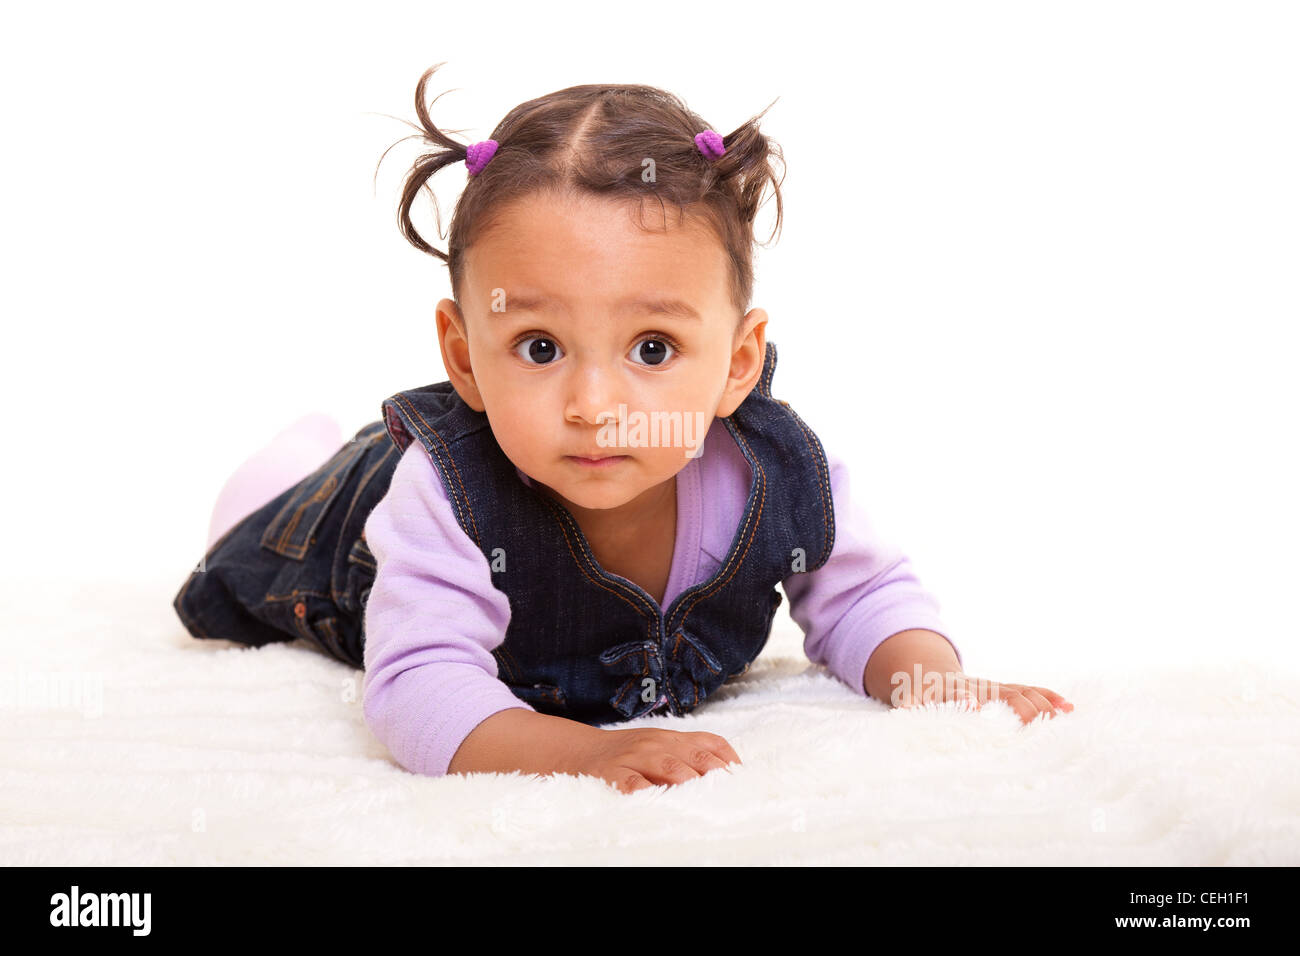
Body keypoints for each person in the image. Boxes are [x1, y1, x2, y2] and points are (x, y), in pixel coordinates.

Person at [174, 63, 1072, 794]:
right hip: (341, 536)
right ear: (462, 352)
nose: (594, 403)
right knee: (255, 535)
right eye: (538, 346)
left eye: (651, 347)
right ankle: (291, 458)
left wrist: (936, 684)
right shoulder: (447, 497)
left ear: (736, 361)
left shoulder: (778, 473)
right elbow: (415, 690)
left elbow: (865, 598)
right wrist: (584, 753)